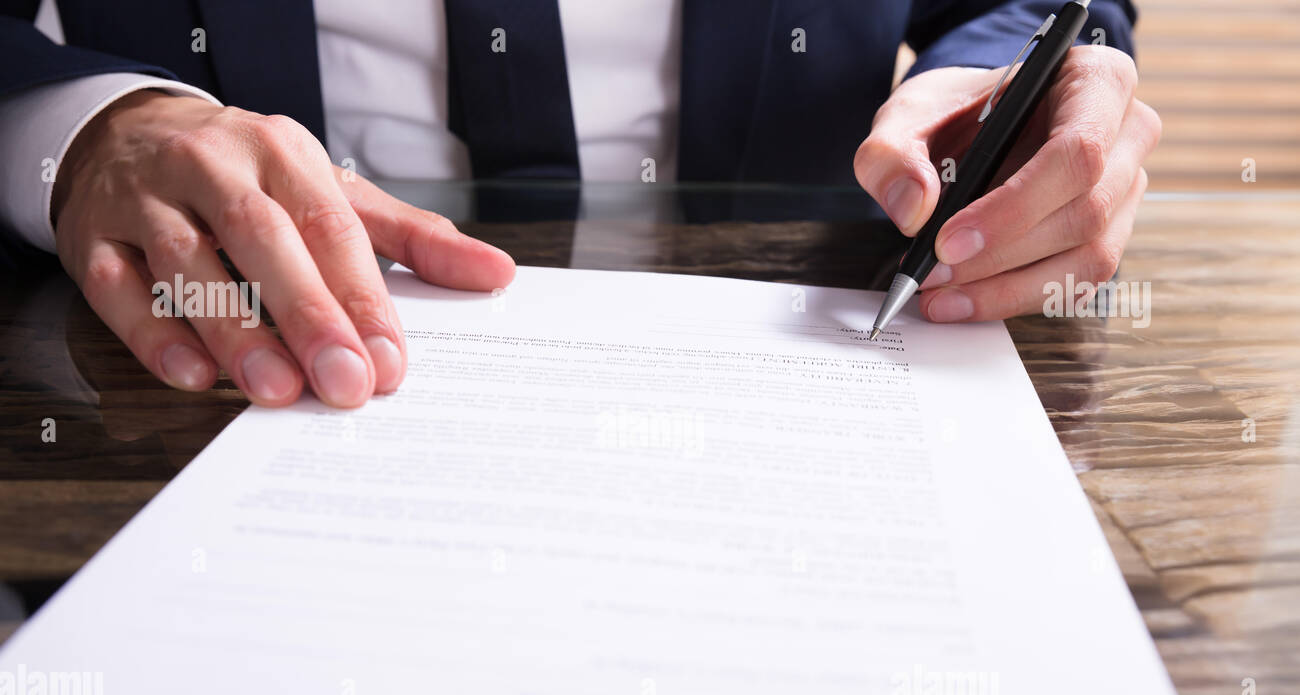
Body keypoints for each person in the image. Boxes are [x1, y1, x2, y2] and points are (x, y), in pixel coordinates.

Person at [0, 0, 1158, 408]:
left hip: (821, 350)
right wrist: (85, 129)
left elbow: (1039, 1)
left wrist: (1038, 88)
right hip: (208, 367)